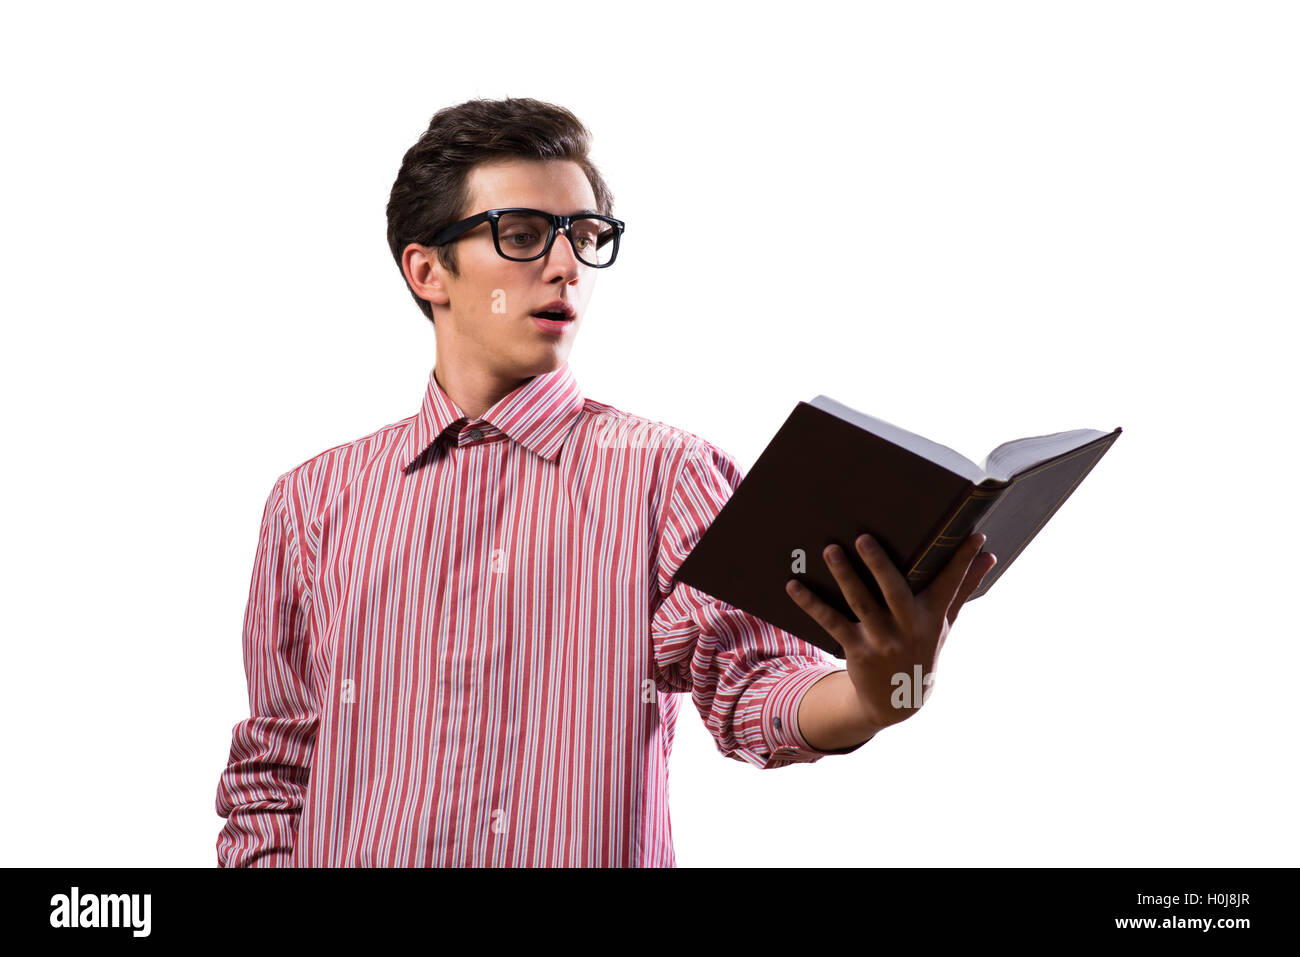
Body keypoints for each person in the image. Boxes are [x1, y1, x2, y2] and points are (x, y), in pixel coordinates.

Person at [214, 96, 995, 867]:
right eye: (522, 235)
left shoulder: (667, 476)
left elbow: (754, 687)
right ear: (428, 270)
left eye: (585, 237)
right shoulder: (312, 502)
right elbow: (274, 775)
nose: (566, 266)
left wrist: (878, 693)